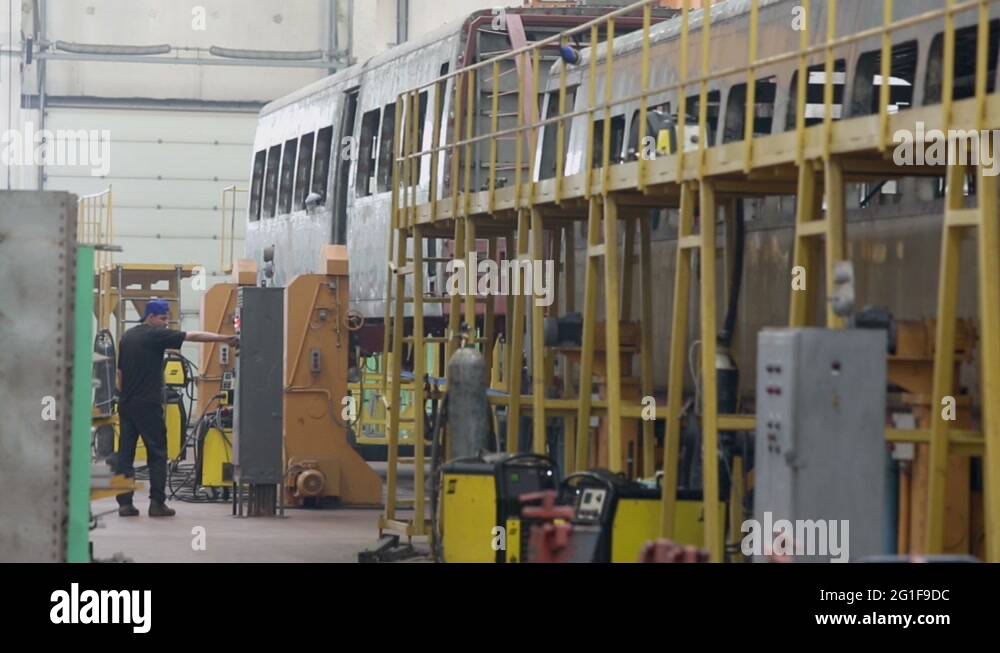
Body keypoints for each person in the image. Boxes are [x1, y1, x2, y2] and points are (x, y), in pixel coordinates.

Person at [116, 300, 238, 517]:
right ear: (151, 316)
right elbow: (193, 336)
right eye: (163, 319)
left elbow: (119, 375)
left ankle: (125, 504)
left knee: (126, 455)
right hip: (148, 405)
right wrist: (225, 339)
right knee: (157, 453)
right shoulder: (155, 335)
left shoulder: (127, 337)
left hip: (126, 404)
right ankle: (157, 504)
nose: (165, 324)